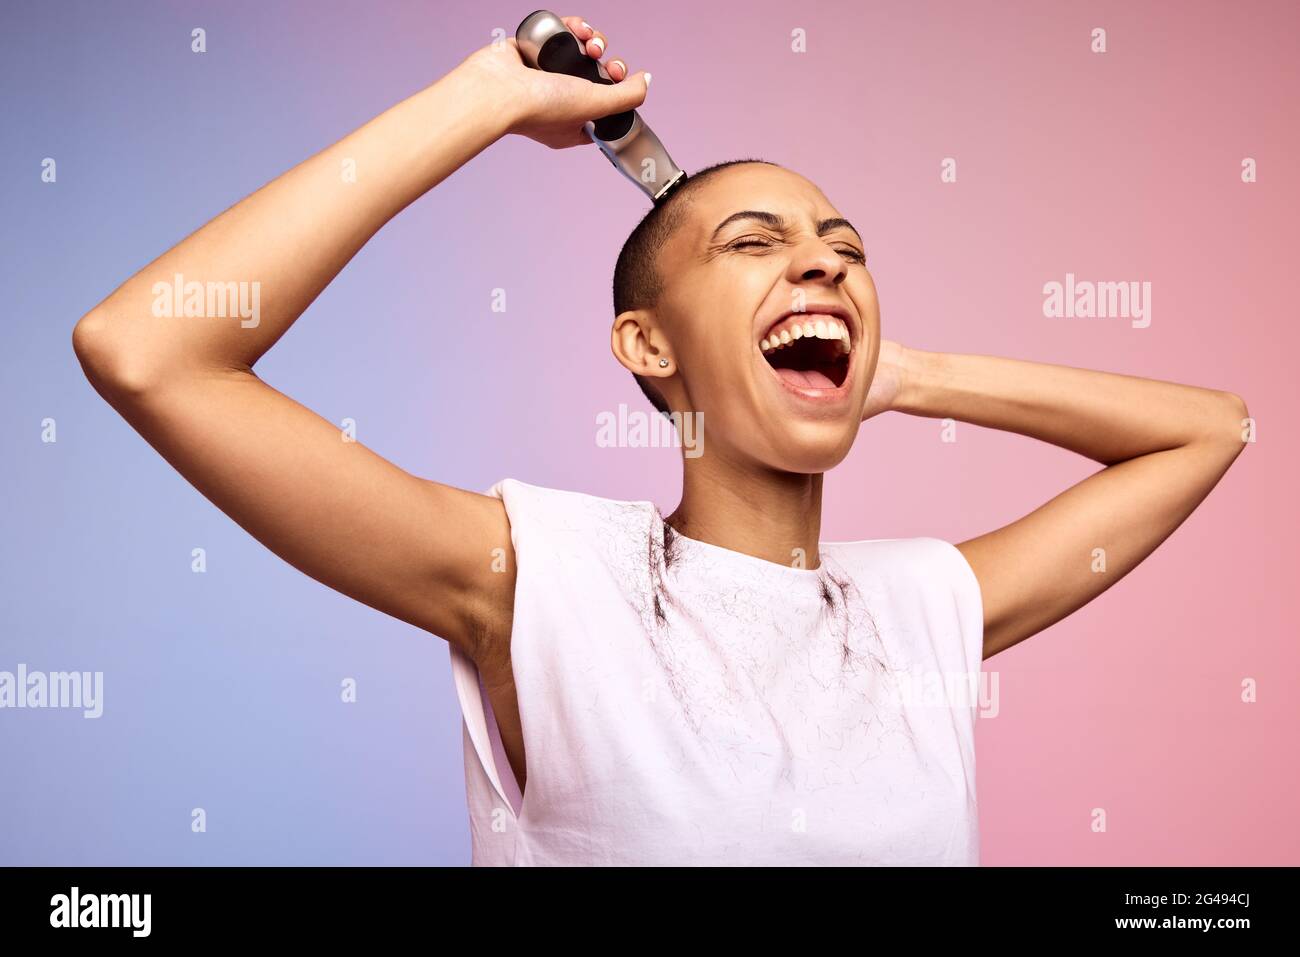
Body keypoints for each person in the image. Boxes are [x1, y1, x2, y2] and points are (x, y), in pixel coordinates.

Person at [71, 16, 1250, 866]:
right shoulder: (540, 579)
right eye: (754, 242)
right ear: (644, 345)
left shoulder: (912, 613)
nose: (822, 261)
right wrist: (485, 98)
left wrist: (910, 375)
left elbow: (1207, 431)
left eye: (843, 248)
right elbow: (148, 349)